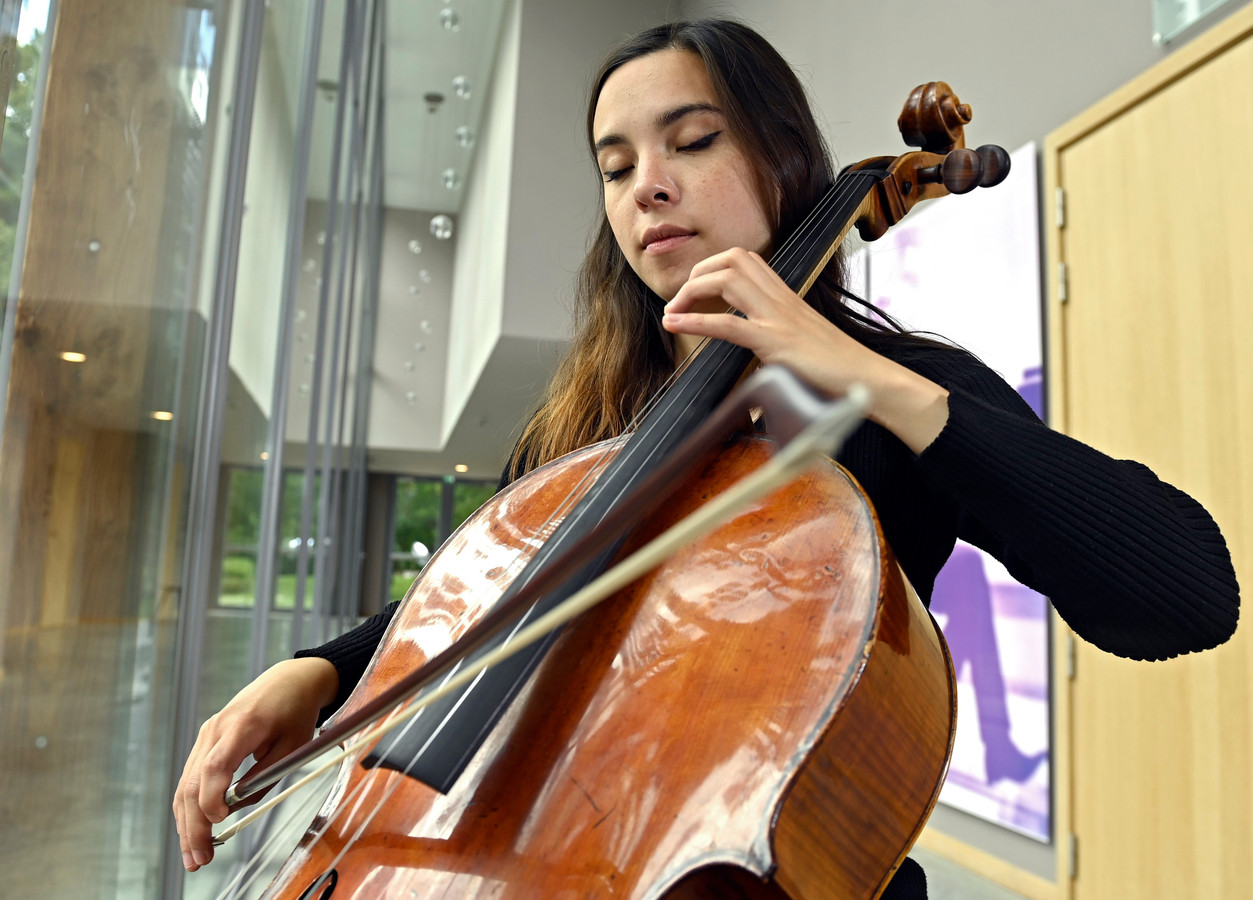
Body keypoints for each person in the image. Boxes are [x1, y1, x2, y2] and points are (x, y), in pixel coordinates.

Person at [173, 19, 1241, 897]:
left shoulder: (899, 390)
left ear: (781, 161)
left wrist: (859, 369)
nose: (646, 185)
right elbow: (487, 610)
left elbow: (1183, 595)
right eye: (615, 164)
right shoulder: (579, 427)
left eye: (689, 142)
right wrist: (318, 671)